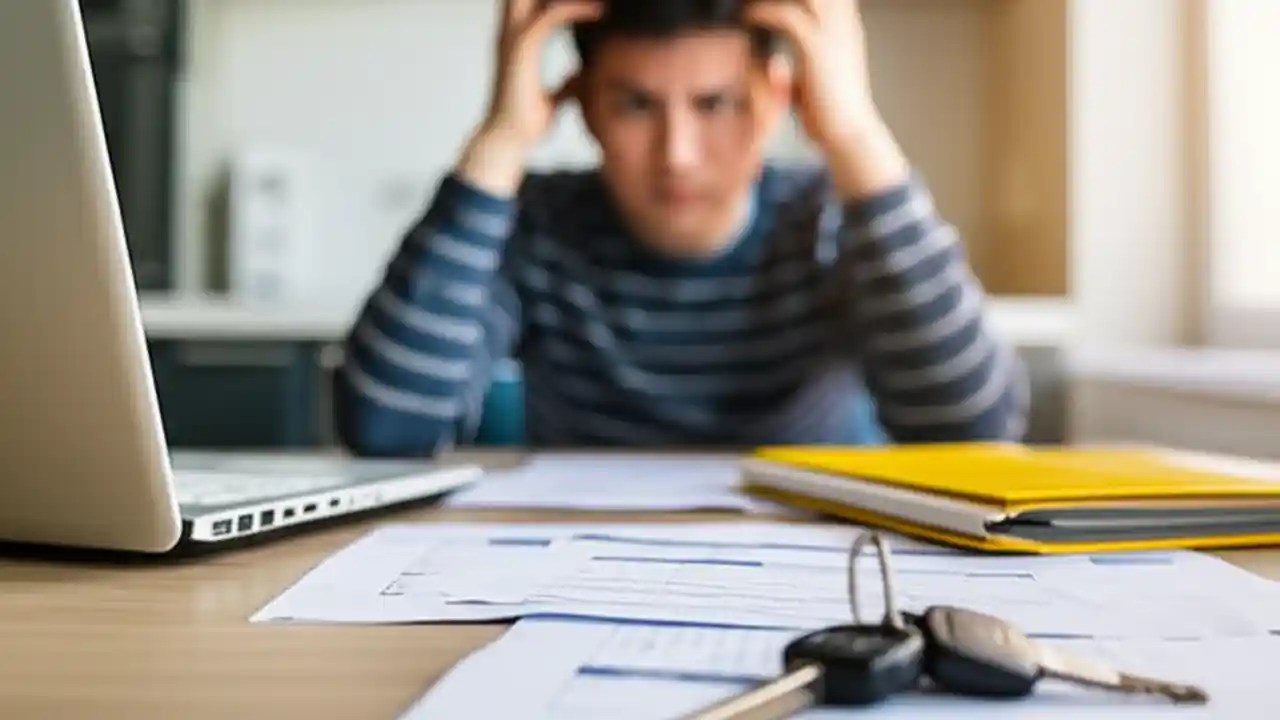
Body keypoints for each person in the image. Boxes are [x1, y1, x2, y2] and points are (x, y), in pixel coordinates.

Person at [332, 0, 1029, 457]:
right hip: (582, 570)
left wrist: (853, 134)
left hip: (818, 570)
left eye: (716, 103)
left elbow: (974, 434)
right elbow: (387, 429)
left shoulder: (833, 220)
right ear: (584, 105)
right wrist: (500, 140)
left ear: (776, 99)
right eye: (637, 105)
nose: (678, 155)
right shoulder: (536, 229)